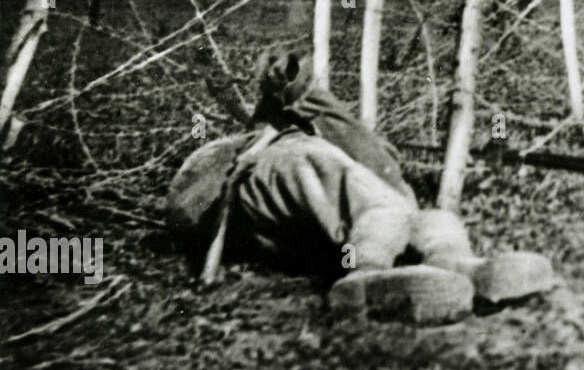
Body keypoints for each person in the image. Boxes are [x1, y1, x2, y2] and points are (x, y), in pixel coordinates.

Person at [166, 50, 553, 319]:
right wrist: (289, 98)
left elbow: (371, 158)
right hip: (250, 181)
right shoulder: (262, 150)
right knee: (327, 169)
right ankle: (365, 277)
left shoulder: (335, 136)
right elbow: (195, 199)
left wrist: (302, 95)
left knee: (398, 206)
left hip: (298, 210)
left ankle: (455, 265)